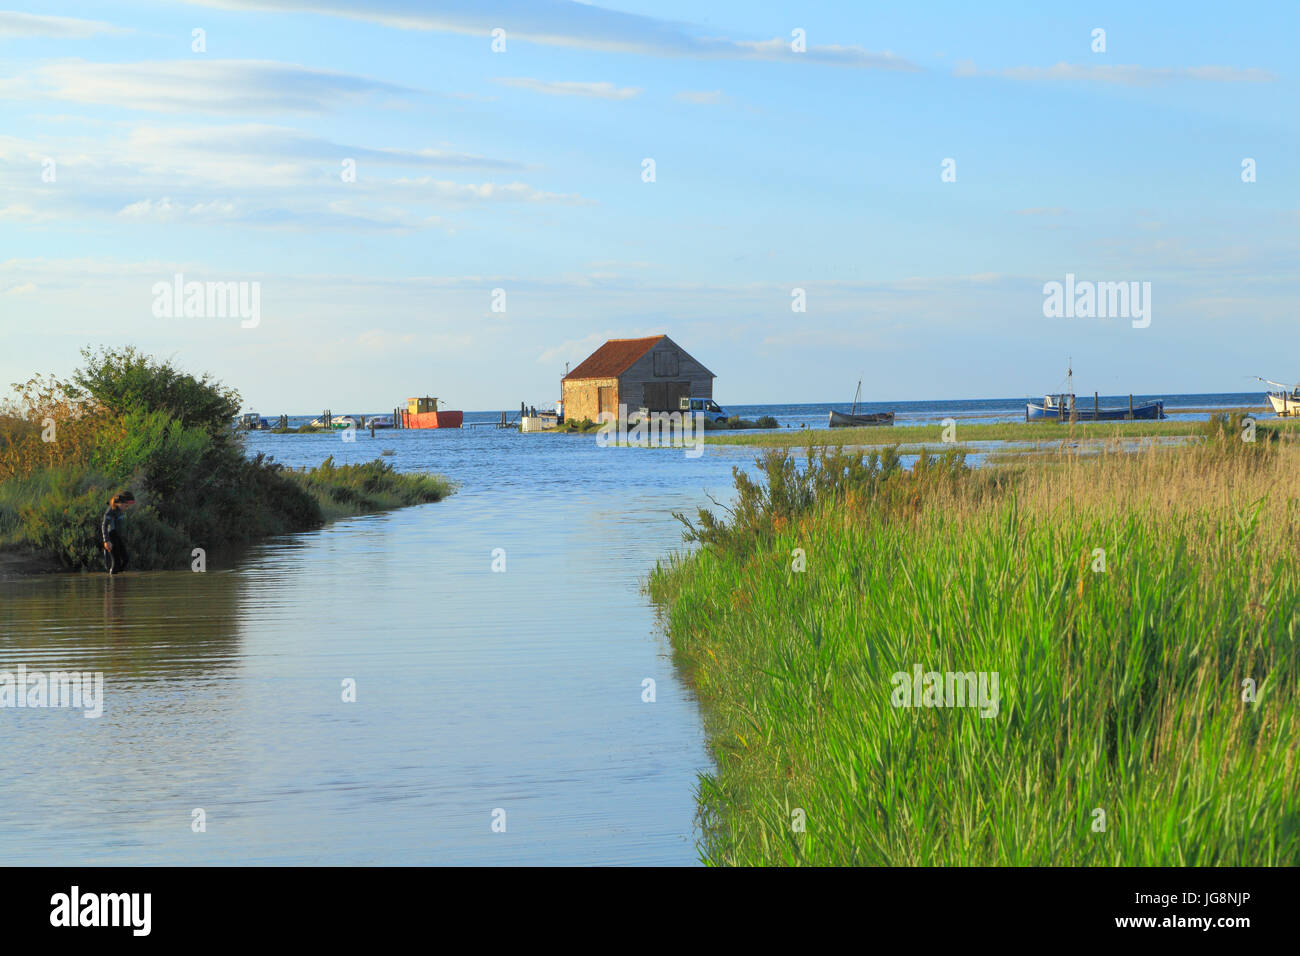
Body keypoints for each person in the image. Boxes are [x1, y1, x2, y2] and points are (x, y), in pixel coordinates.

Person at [102, 491, 135, 574]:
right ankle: (112, 582)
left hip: (117, 536)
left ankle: (119, 581)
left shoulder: (119, 510)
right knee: (116, 562)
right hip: (110, 537)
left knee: (125, 559)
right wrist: (106, 541)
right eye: (126, 506)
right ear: (120, 503)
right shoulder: (110, 510)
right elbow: (104, 526)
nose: (126, 508)